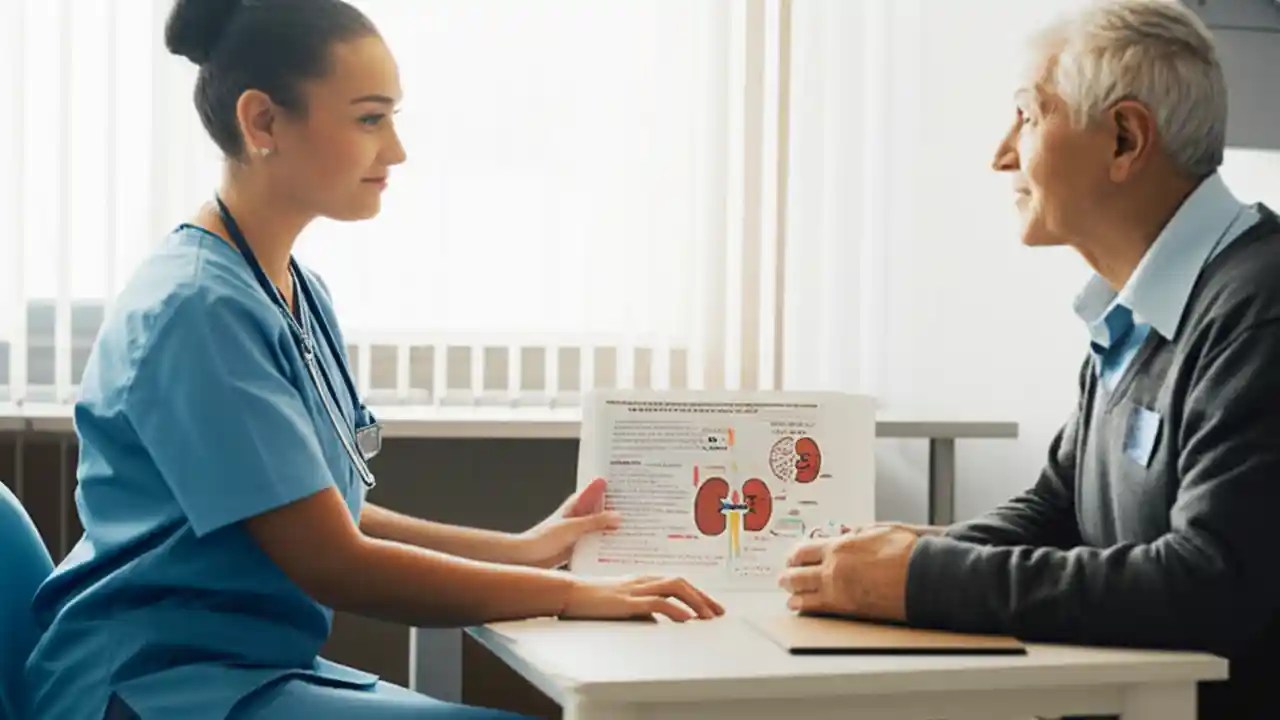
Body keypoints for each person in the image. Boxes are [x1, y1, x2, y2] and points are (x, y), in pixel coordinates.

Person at [22, 1, 723, 718]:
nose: (395, 151)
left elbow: (326, 511)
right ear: (263, 122)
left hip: (240, 669)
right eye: (369, 119)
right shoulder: (199, 310)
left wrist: (523, 549)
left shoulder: (289, 289)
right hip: (152, 685)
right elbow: (334, 561)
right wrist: (570, 594)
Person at [778, 1, 1279, 717]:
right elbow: (1059, 509)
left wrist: (921, 579)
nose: (1002, 154)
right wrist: (893, 558)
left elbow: (1210, 583)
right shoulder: (1138, 307)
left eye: (1027, 116)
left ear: (1124, 139)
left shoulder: (1259, 307)